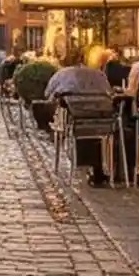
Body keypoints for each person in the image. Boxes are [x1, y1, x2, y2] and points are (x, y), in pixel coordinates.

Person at [44, 51, 114, 186]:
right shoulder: (99, 75)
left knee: (76, 122)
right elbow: (109, 93)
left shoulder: (61, 74)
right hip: (104, 125)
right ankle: (99, 169)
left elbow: (47, 94)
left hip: (75, 123)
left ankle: (83, 165)